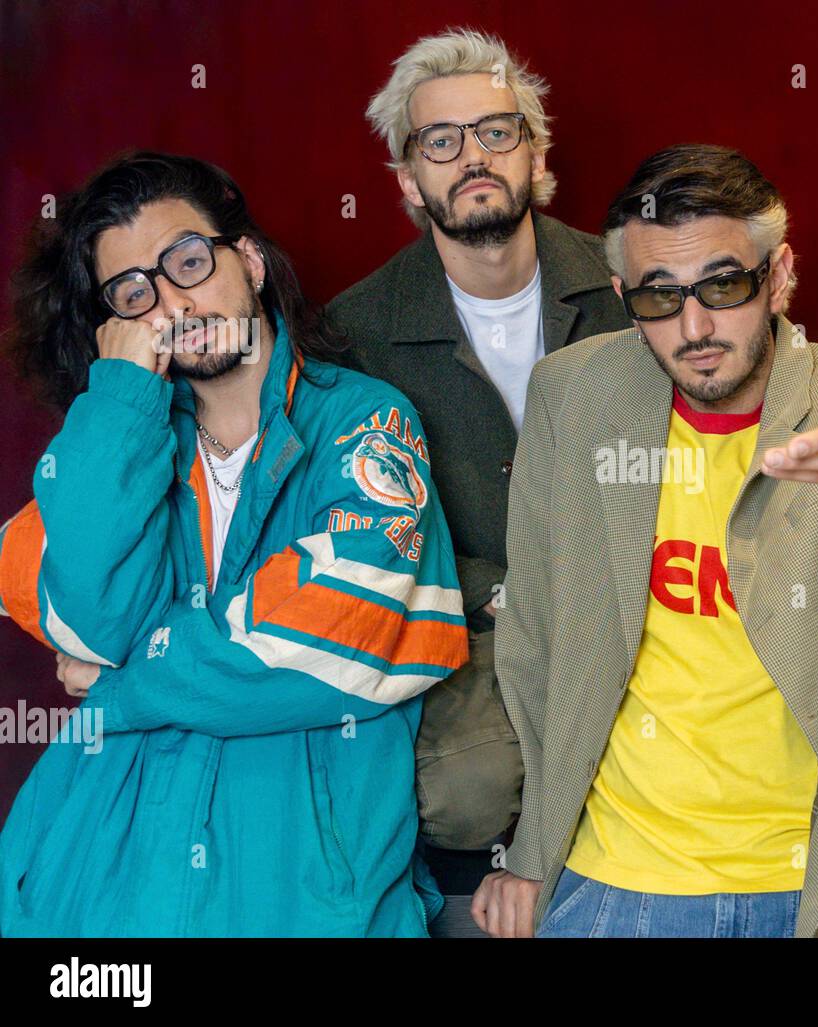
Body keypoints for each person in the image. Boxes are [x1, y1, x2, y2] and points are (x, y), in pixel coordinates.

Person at [472, 144, 818, 937]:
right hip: (618, 878)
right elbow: (535, 639)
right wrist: (532, 848)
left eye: (724, 284)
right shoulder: (571, 396)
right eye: (659, 296)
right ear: (621, 294)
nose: (696, 326)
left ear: (779, 277)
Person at [0, 152, 468, 936]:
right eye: (134, 292)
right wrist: (121, 395)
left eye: (188, 261)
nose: (173, 302)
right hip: (90, 888)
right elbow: (88, 618)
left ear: (247, 259)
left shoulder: (364, 421)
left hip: (299, 894)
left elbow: (327, 635)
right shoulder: (116, 437)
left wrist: (122, 687)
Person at [327, 29, 629, 874]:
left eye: (497, 132)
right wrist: (493, 593)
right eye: (442, 141)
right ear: (408, 178)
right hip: (472, 615)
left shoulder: (627, 285)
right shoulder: (357, 330)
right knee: (465, 797)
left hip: (630, 593)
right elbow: (358, 522)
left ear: (535, 154)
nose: (473, 158)